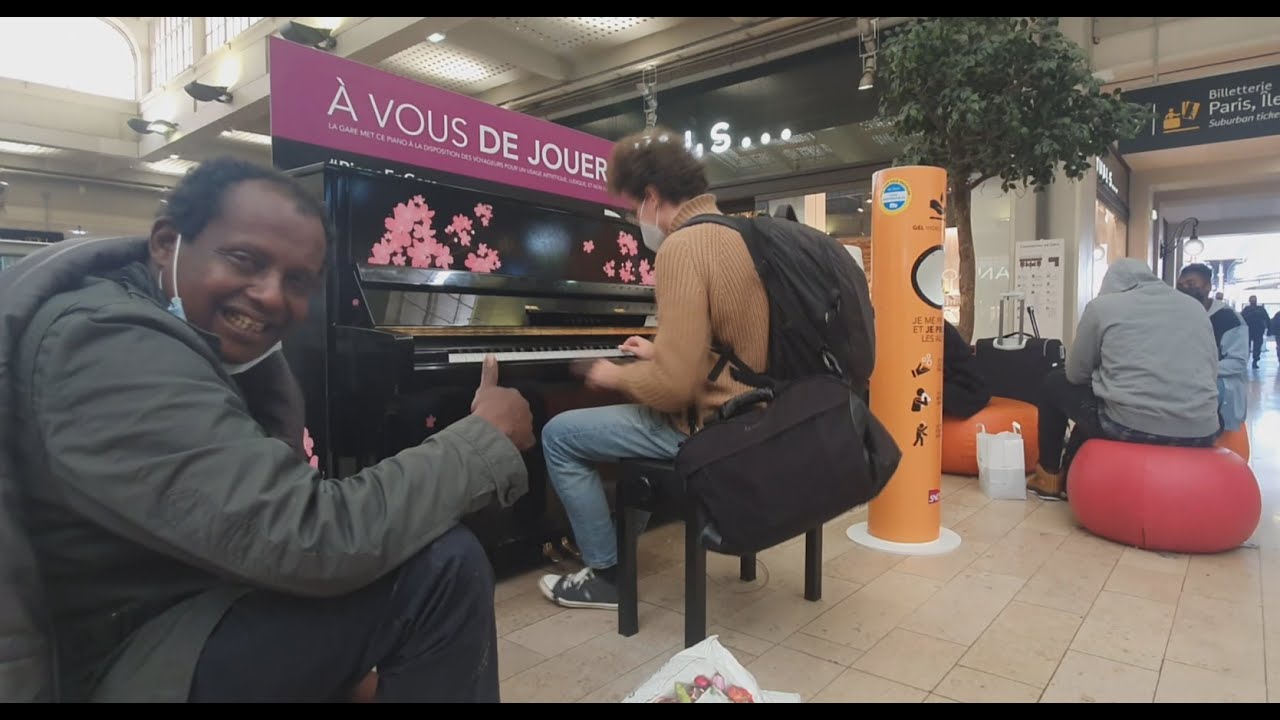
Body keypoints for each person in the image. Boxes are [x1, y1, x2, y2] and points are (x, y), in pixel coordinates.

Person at [0, 157, 534, 703]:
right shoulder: (106, 343)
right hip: (117, 661)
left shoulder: (152, 323)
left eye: (297, 280)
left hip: (170, 613)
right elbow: (310, 535)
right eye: (245, 259)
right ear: (167, 243)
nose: (272, 295)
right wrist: (482, 437)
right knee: (441, 568)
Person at [536, 128, 770, 610]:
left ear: (651, 196)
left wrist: (612, 375)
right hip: (753, 415)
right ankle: (611, 546)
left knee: (560, 434)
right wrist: (656, 353)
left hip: (706, 428)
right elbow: (730, 345)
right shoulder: (739, 234)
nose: (633, 220)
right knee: (619, 430)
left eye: (630, 209)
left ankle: (606, 574)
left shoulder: (682, 247)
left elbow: (671, 390)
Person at [1026, 259, 1221, 500]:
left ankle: (1048, 476)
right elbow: (1212, 372)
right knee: (1101, 399)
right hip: (1202, 430)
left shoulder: (1102, 307)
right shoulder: (1195, 308)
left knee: (1054, 382)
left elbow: (1075, 374)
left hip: (1130, 426)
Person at [1177, 263, 1248, 432]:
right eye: (1181, 285)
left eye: (1191, 283)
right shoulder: (1177, 314)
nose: (1185, 288)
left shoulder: (1228, 319)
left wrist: (1198, 369)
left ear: (1208, 286)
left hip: (1218, 390)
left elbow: (1237, 362)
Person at [1240, 295, 1270, 369]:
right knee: (1255, 347)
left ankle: (1252, 361)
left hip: (1251, 331)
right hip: (1256, 331)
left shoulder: (1247, 310)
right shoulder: (1260, 309)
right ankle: (1254, 361)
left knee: (1248, 347)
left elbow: (1240, 319)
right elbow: (1267, 319)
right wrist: (1269, 328)